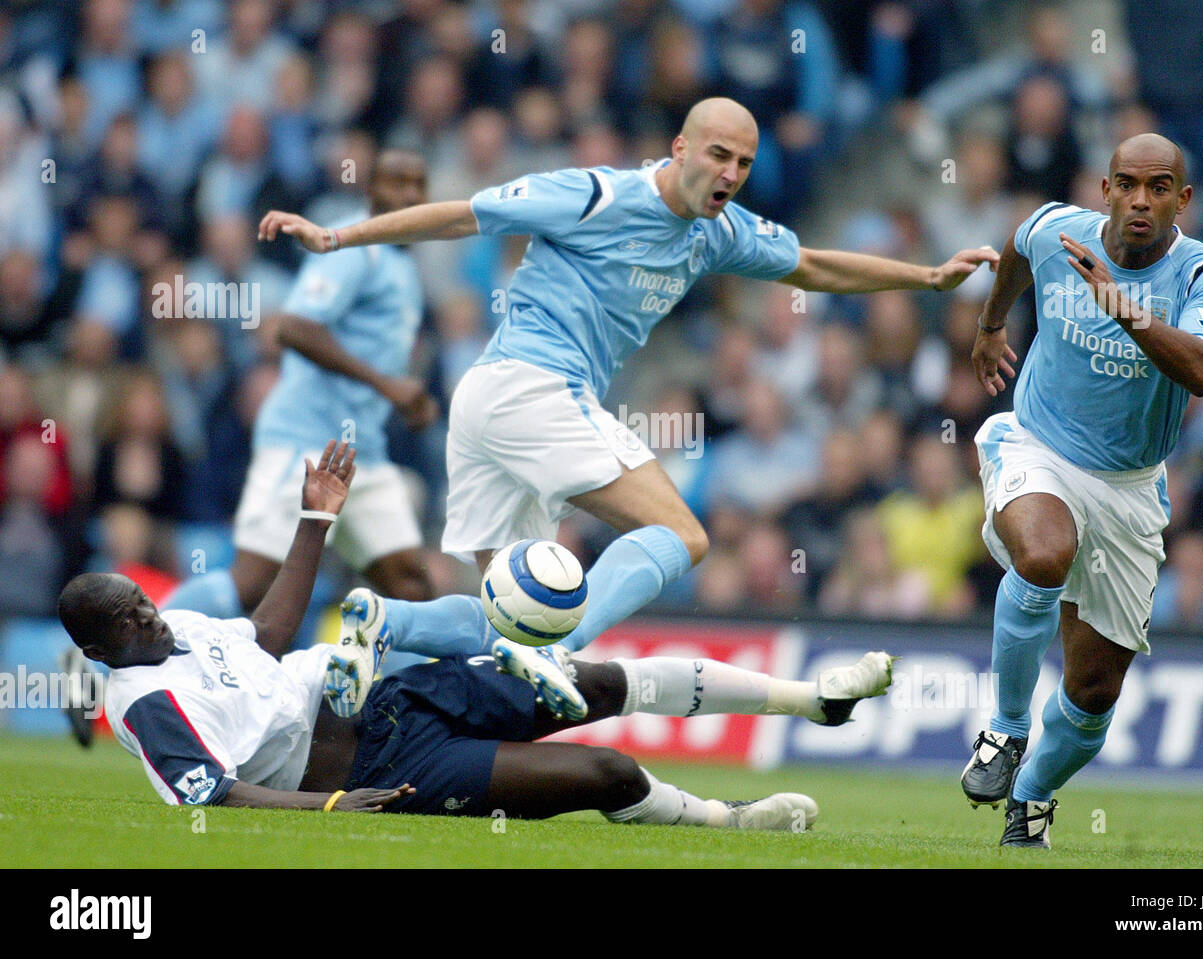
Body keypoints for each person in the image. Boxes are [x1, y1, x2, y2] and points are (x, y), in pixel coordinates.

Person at [257, 97, 996, 719]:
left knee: (504, 613)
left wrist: (927, 276)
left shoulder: (719, 231)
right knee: (681, 534)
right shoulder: (596, 195)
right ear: (679, 148)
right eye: (717, 155)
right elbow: (462, 215)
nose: (730, 175)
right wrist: (340, 235)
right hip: (530, 388)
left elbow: (812, 264)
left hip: (491, 404)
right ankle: (556, 651)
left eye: (742, 163)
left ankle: (383, 623)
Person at [57, 442, 896, 826]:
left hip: (394, 696)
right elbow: (213, 793)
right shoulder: (144, 701)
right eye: (129, 618)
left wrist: (316, 516)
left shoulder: (188, 624)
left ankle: (811, 701)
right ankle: (726, 822)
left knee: (597, 679)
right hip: (384, 765)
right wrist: (334, 804)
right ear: (100, 651)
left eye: (141, 598)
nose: (149, 613)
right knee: (606, 772)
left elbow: (271, 634)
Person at [964, 134, 1203, 847]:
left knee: (1094, 694)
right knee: (1043, 554)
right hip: (1038, 445)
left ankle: (1030, 800)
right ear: (1105, 189)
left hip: (1128, 487)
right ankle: (1005, 729)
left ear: (1183, 199)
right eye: (1127, 184)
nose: (1140, 200)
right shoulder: (1059, 233)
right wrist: (992, 322)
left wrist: (1127, 310)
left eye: (1157, 187)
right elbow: (1017, 247)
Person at [164, 150, 439, 620]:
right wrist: (388, 386)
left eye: (418, 184)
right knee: (252, 584)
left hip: (361, 454)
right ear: (370, 188)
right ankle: (123, 647)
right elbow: (292, 327)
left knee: (411, 586)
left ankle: (414, 693)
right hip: (305, 443)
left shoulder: (403, 264)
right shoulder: (354, 249)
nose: (409, 195)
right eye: (396, 183)